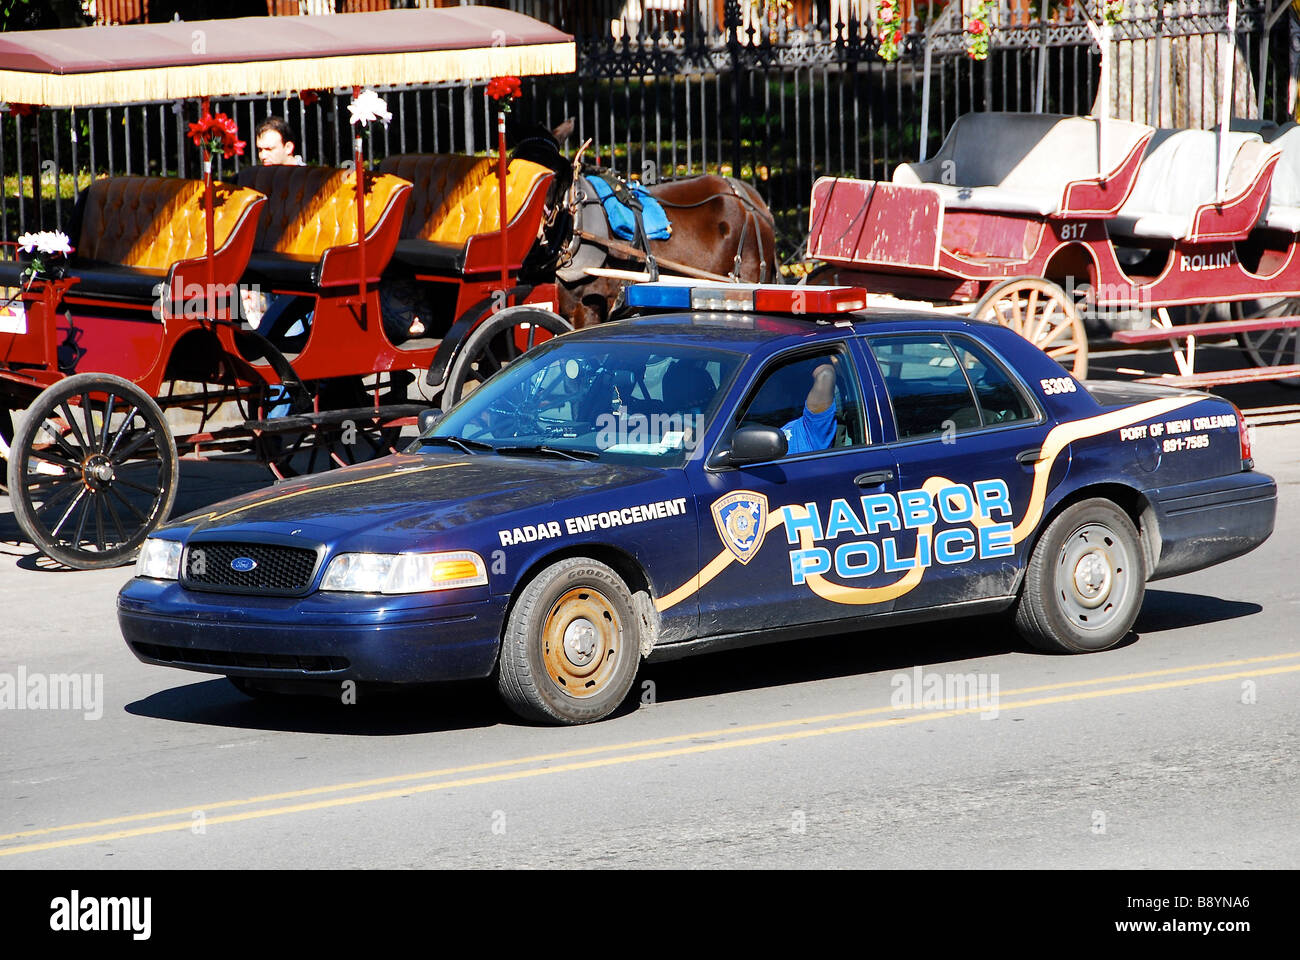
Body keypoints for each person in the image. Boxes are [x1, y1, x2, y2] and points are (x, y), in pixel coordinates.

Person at [780, 362, 837, 455]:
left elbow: (825, 374)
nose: (759, 396)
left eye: (767, 387)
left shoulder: (808, 429)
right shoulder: (750, 426)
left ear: (786, 395)